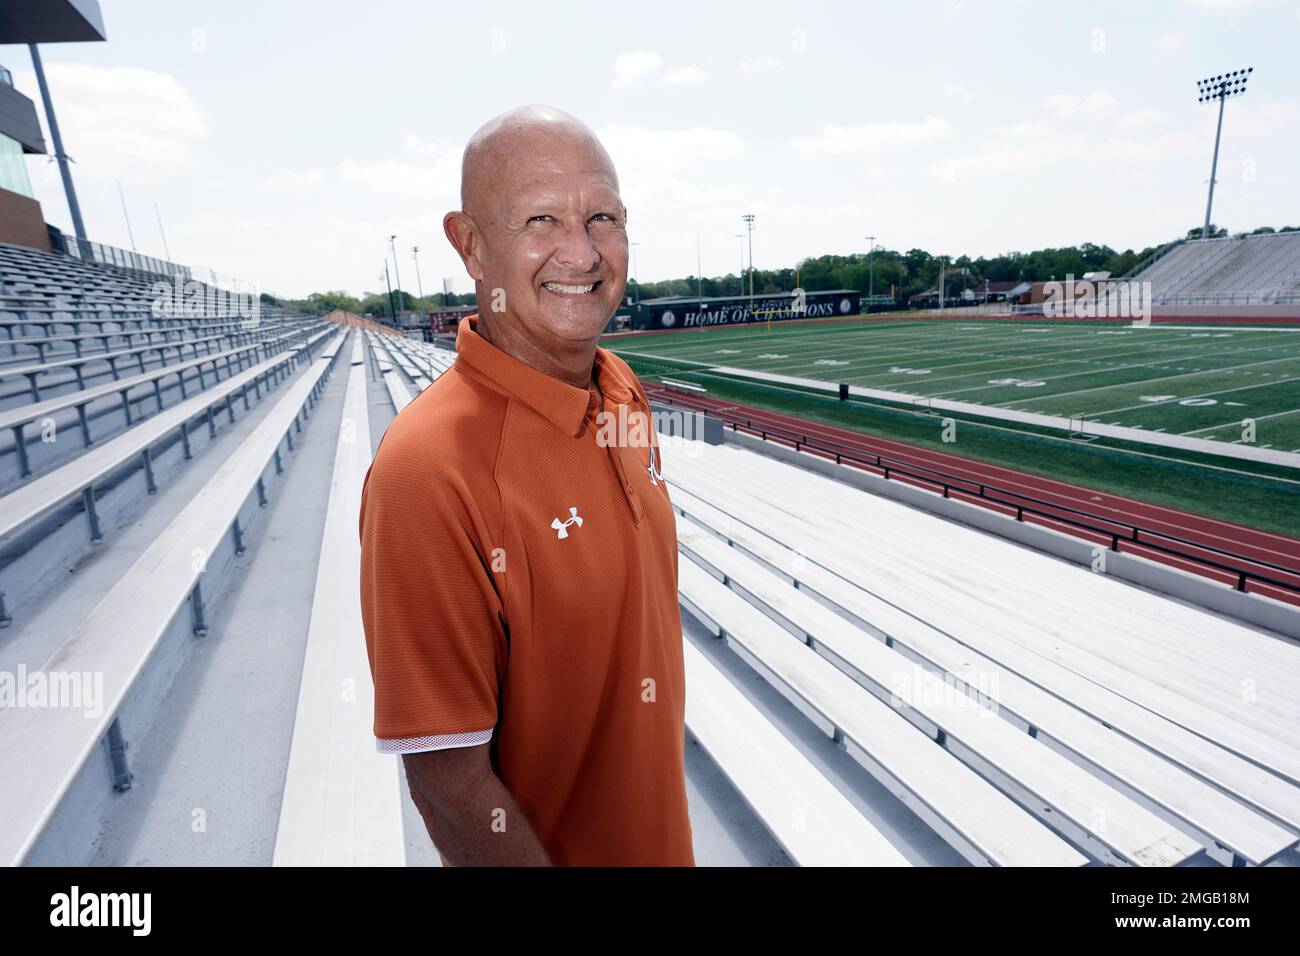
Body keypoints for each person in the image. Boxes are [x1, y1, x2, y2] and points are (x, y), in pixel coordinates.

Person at [358, 104, 695, 866]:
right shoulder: (426, 471)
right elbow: (448, 783)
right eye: (540, 219)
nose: (581, 253)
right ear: (470, 245)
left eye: (602, 216)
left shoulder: (621, 390)